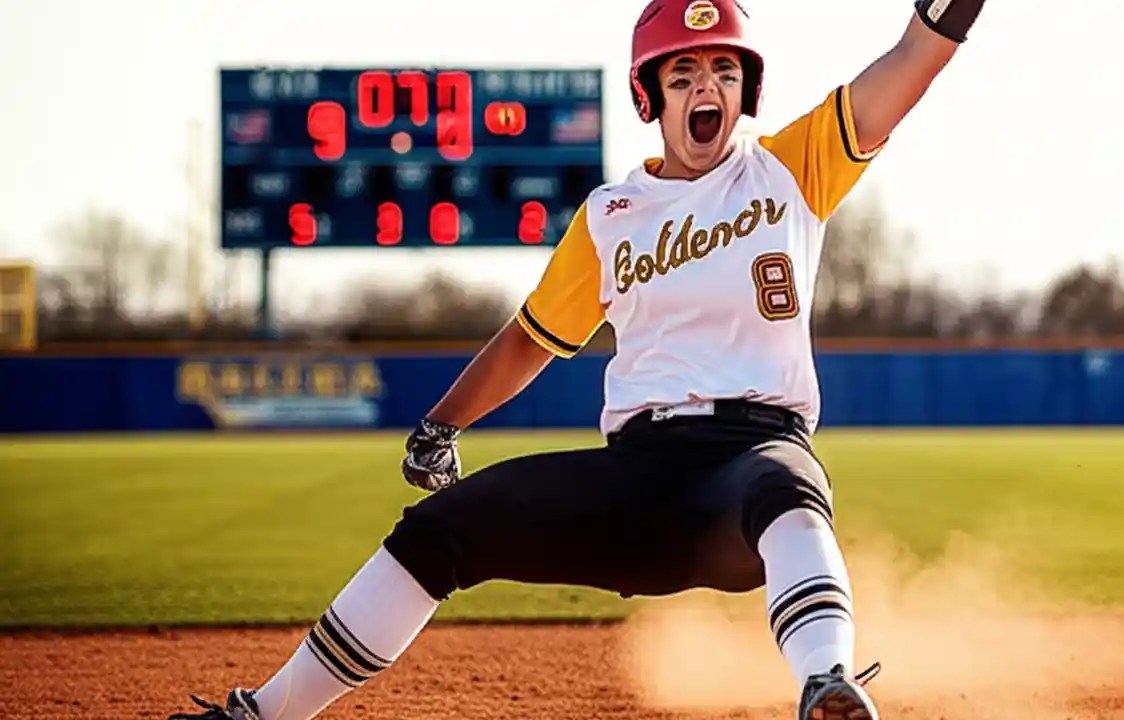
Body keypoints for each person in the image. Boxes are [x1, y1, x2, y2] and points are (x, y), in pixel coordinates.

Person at [169, 1, 985, 718]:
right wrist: (442, 422)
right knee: (441, 529)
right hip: (635, 479)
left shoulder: (793, 167)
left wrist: (947, 14)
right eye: (684, 73)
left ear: (746, 91)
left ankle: (827, 685)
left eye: (724, 71)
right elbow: (530, 335)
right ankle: (264, 714)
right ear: (650, 94)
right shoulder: (611, 215)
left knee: (786, 481)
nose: (707, 88)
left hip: (748, 469)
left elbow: (913, 61)